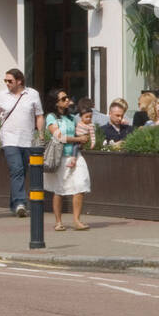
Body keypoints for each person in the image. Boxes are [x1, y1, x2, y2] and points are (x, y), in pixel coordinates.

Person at [0, 68, 44, 217]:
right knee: (17, 169)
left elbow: (39, 115)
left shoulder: (32, 94)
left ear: (19, 81)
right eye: (5, 81)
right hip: (9, 139)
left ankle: (14, 204)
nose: (7, 83)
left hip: (27, 139)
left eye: (10, 81)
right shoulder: (2, 95)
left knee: (22, 171)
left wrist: (41, 134)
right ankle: (20, 202)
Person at [45, 90, 91, 231]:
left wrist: (83, 139)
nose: (67, 100)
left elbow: (79, 133)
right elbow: (59, 137)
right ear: (56, 102)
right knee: (59, 189)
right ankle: (58, 221)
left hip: (75, 155)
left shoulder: (72, 117)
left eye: (67, 97)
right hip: (60, 156)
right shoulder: (51, 118)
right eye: (63, 98)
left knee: (81, 183)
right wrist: (78, 139)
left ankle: (77, 220)